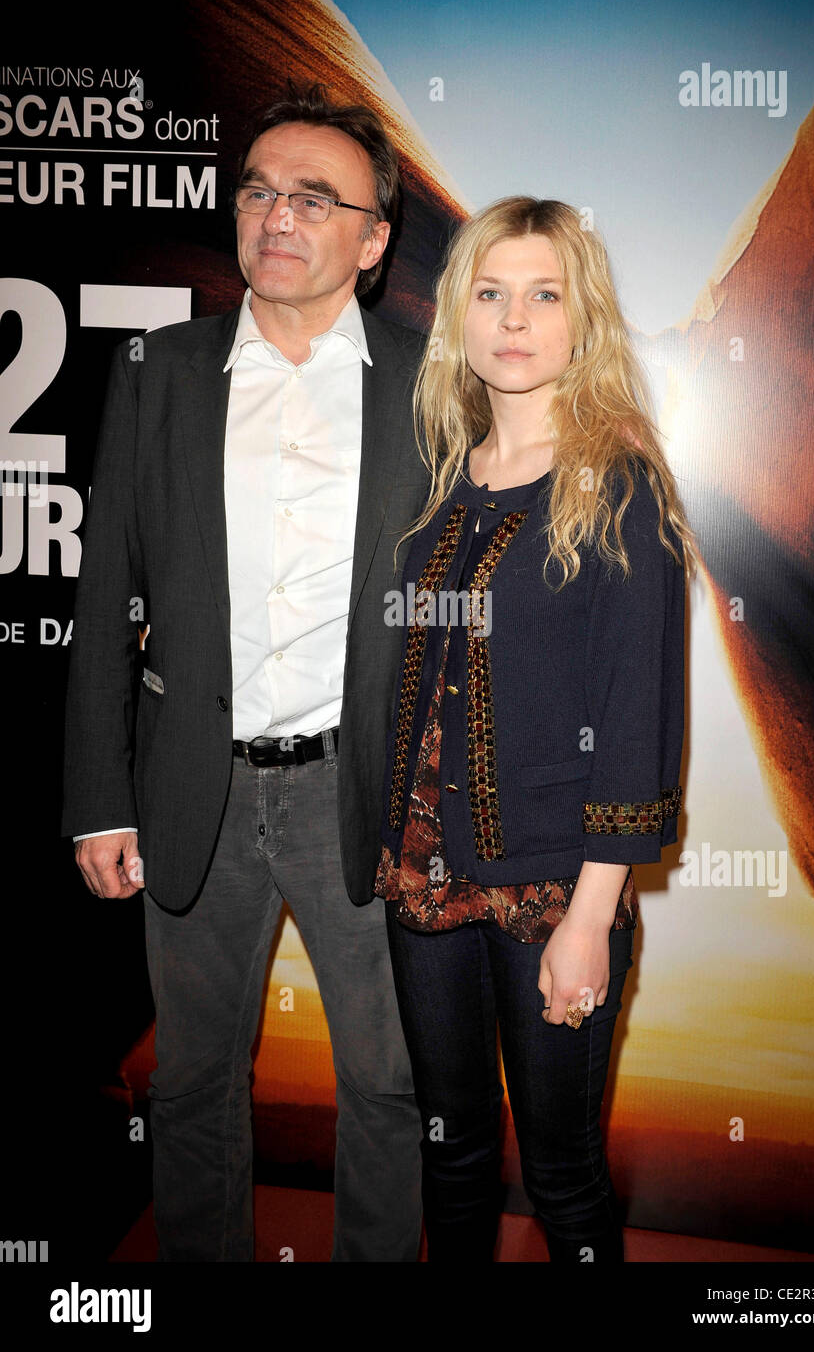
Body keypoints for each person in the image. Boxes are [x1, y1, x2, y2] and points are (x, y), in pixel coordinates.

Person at [61, 81, 429, 1262]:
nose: (277, 212)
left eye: (314, 196)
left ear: (371, 243)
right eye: (261, 188)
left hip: (358, 793)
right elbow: (105, 591)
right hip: (189, 789)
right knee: (192, 1083)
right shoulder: (160, 369)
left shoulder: (434, 387)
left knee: (385, 1082)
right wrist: (98, 799)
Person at [373, 196, 695, 1263]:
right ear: (460, 316)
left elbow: (638, 710)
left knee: (561, 1176)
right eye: (490, 292)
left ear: (580, 320)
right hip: (424, 877)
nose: (513, 319)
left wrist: (590, 916)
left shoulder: (618, 484)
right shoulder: (438, 484)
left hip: (554, 884)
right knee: (452, 1150)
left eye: (543, 294)